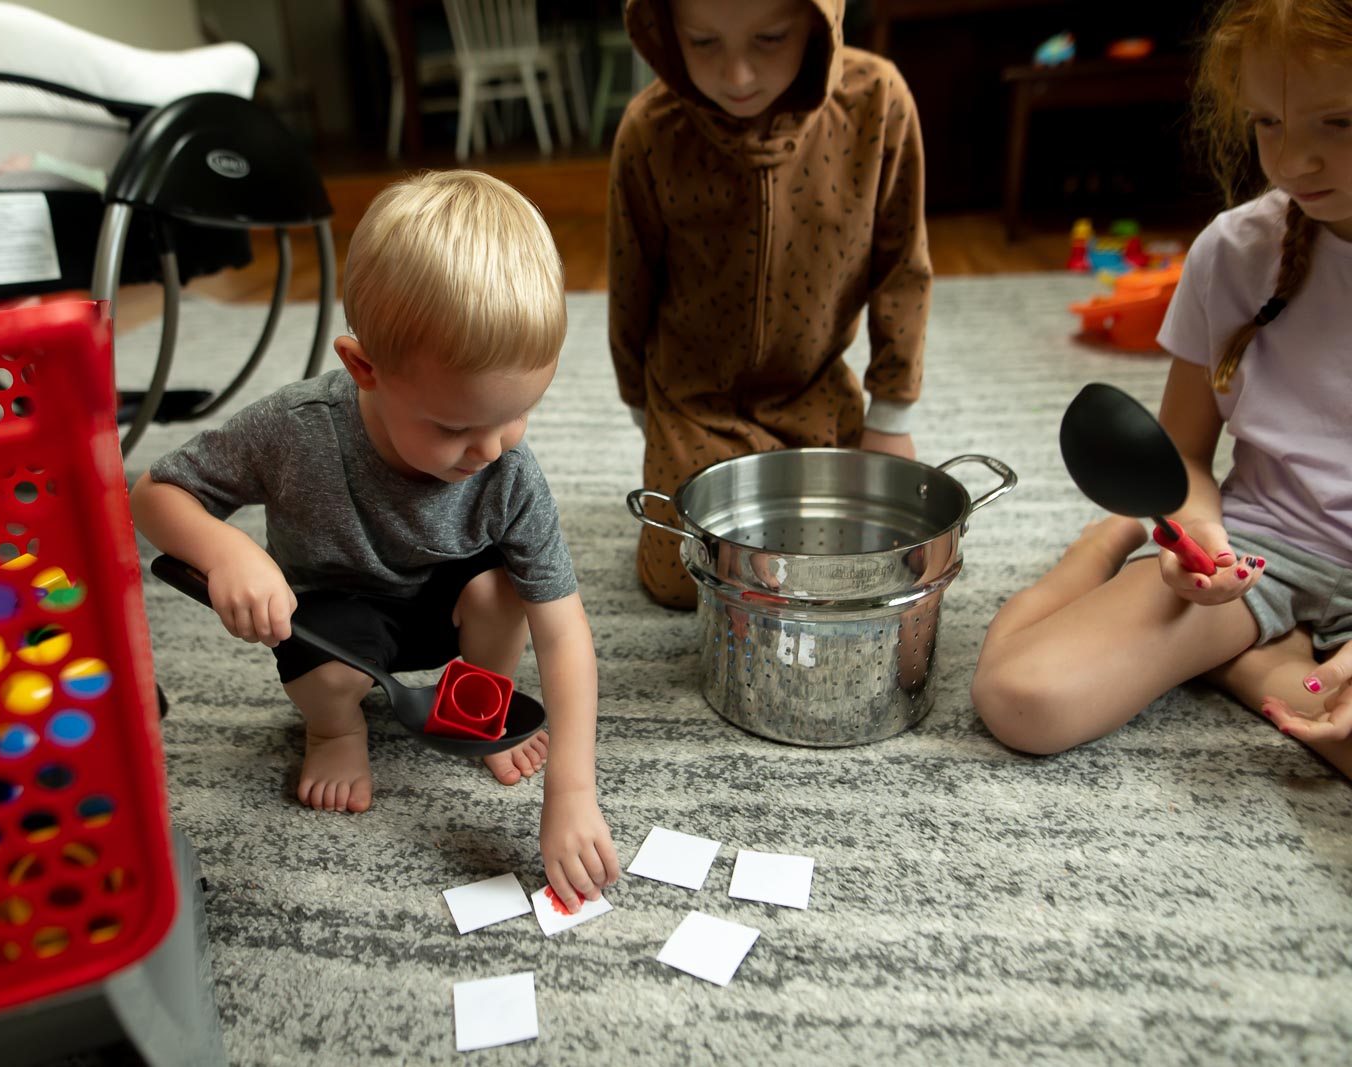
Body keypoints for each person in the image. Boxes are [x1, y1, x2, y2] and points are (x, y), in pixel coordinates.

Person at [128, 170, 620, 909]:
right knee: (327, 672)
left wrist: (572, 789)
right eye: (455, 426)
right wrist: (227, 550)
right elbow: (153, 493)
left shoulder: (511, 472)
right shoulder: (294, 432)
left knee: (503, 590)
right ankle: (333, 732)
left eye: (517, 414)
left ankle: (474, 702)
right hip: (342, 622)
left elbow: (564, 633)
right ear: (365, 366)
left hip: (452, 605)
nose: (490, 448)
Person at [971, 0, 1352, 778]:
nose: (1292, 163)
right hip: (1267, 547)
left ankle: (1253, 665)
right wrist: (1201, 538)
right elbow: (1183, 451)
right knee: (1021, 698)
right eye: (1269, 124)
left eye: (1338, 124)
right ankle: (1105, 541)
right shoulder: (1236, 251)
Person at [608, 0, 932, 608]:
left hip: (815, 391)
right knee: (686, 581)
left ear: (818, 23)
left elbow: (903, 268)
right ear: (665, 29)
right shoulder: (649, 130)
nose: (738, 76)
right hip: (693, 402)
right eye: (704, 43)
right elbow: (631, 283)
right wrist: (642, 406)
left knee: (848, 571)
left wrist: (890, 416)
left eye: (771, 38)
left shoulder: (878, 103)